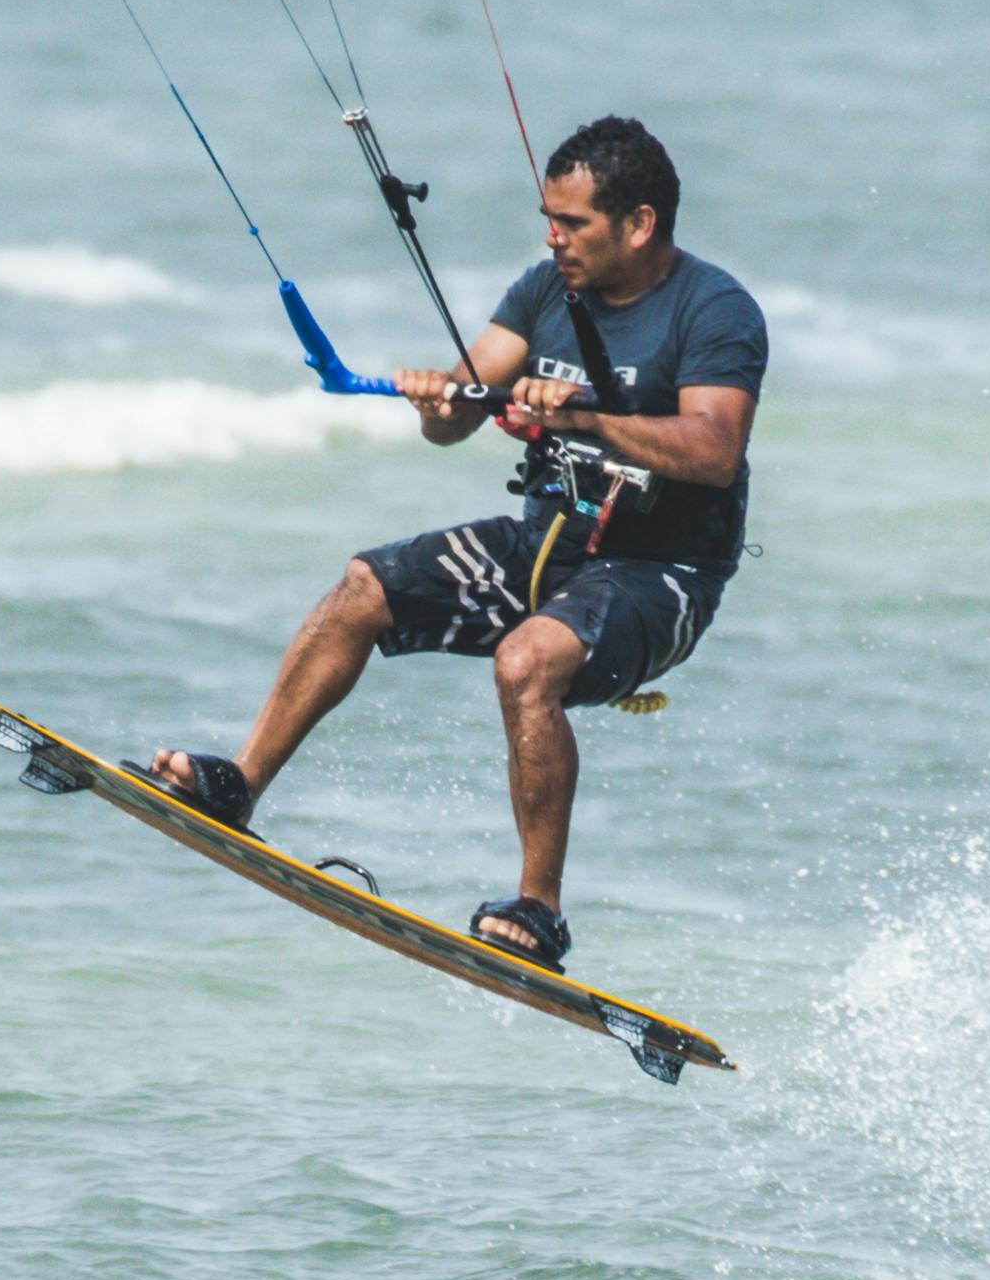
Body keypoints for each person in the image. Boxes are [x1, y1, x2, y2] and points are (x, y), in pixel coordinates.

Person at [141, 115, 763, 972]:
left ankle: (538, 910)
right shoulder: (546, 289)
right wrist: (442, 402)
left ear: (640, 224)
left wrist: (584, 416)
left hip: (662, 573)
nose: (554, 238)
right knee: (363, 586)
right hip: (547, 545)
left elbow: (713, 449)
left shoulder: (713, 310)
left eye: (573, 223)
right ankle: (238, 785)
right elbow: (464, 409)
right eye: (548, 217)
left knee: (526, 661)